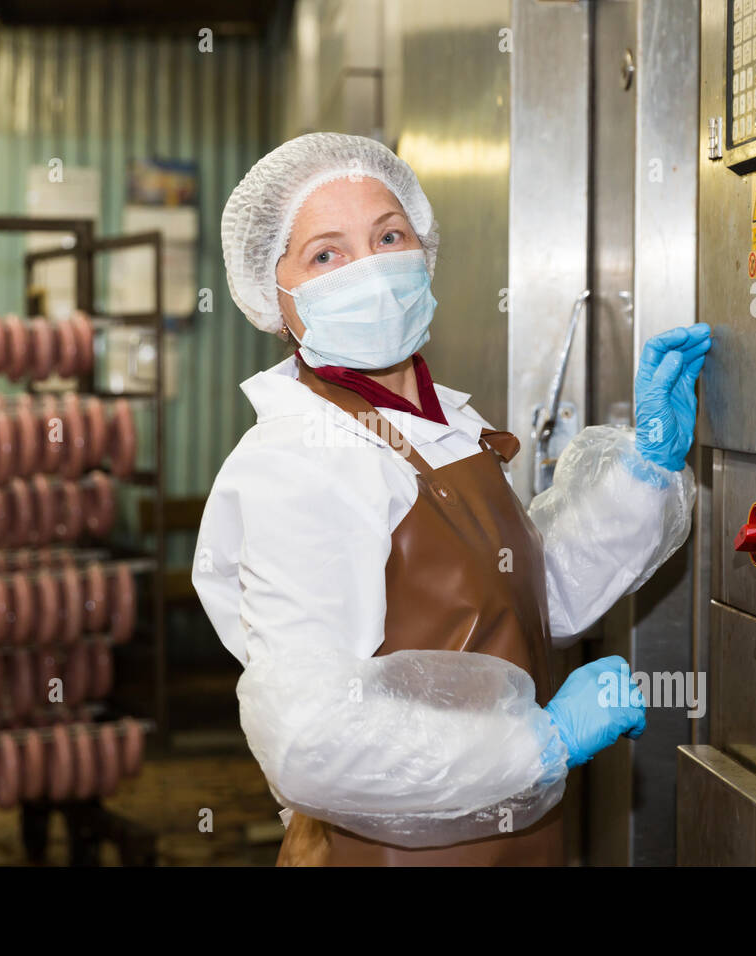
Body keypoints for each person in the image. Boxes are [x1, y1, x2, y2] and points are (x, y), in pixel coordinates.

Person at [194, 132, 711, 866]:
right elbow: (308, 739)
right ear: (275, 299)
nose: (370, 270)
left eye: (388, 235)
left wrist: (646, 468)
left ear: (423, 250)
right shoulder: (301, 459)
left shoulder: (440, 426)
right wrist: (541, 740)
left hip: (507, 835)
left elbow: (529, 600)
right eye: (326, 255)